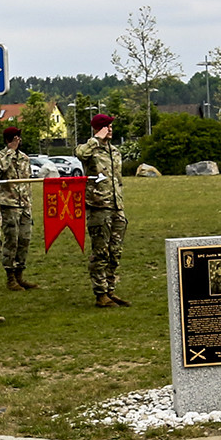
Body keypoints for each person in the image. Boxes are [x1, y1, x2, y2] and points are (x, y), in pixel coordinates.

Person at [78, 112, 128, 306]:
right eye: (107, 126)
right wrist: (96, 139)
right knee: (101, 252)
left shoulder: (114, 151)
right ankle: (100, 293)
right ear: (99, 129)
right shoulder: (89, 149)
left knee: (115, 251)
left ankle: (110, 289)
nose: (111, 130)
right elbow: (80, 154)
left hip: (116, 206)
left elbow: (118, 179)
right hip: (99, 207)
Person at [0, 125, 37, 296]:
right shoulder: (1, 156)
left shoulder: (24, 158)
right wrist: (10, 151)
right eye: (14, 138)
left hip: (24, 204)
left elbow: (27, 181)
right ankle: (10, 276)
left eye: (19, 138)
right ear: (8, 140)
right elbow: (0, 169)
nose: (18, 141)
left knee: (25, 239)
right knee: (11, 240)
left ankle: (20, 272)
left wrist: (28, 202)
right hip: (9, 205)